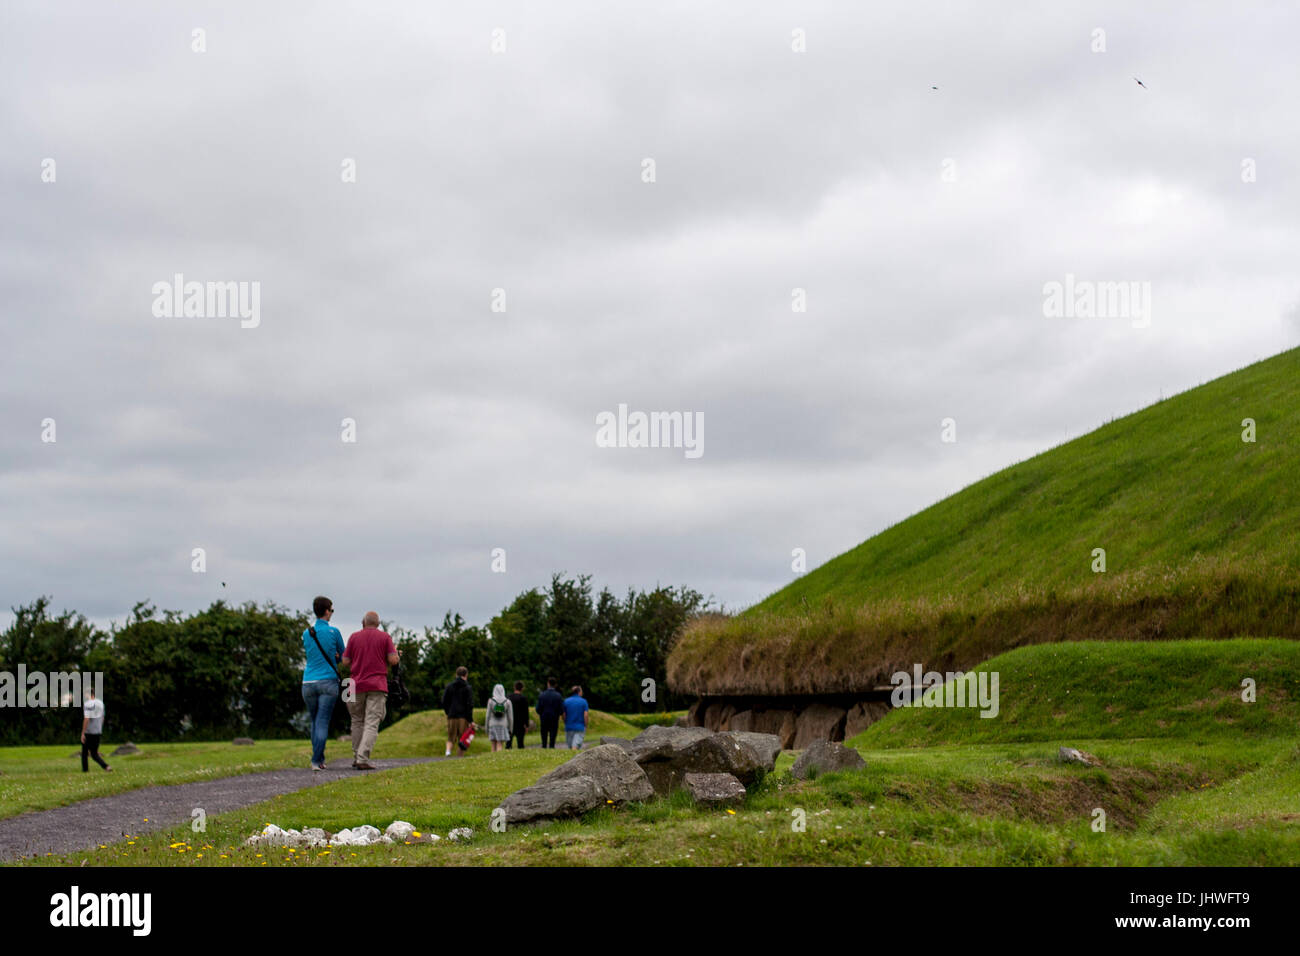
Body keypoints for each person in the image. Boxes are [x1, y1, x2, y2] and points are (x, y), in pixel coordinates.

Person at [341, 611, 398, 770]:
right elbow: (393, 660)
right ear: (378, 624)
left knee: (356, 720)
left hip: (352, 684)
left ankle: (356, 755)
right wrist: (397, 655)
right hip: (377, 684)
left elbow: (345, 661)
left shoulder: (353, 637)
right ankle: (362, 757)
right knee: (372, 721)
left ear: (363, 622)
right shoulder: (385, 637)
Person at [302, 595, 345, 770]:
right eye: (331, 610)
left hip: (308, 682)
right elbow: (343, 656)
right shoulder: (334, 632)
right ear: (327, 611)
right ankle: (316, 760)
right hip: (327, 681)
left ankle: (319, 758)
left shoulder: (307, 633)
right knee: (322, 721)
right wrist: (336, 657)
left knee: (314, 721)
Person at [441, 666, 475, 757]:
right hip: (463, 717)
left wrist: (448, 712)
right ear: (466, 675)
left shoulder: (449, 686)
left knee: (451, 737)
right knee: (462, 738)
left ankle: (448, 752)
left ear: (456, 674)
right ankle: (459, 757)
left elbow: (444, 701)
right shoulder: (467, 687)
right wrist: (470, 719)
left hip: (452, 715)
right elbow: (470, 705)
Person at [80, 688, 111, 773]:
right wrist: (100, 727)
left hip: (89, 731)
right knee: (94, 753)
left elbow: (86, 719)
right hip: (98, 731)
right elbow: (103, 717)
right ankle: (106, 767)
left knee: (84, 753)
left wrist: (83, 733)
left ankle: (85, 770)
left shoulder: (87, 704)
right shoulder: (100, 703)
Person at [536, 677, 563, 749]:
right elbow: (561, 710)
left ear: (548, 684)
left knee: (544, 733)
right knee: (553, 734)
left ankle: (544, 745)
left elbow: (538, 709)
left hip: (544, 717)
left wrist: (541, 713)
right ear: (555, 685)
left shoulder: (542, 695)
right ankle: (552, 746)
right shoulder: (558, 696)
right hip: (554, 718)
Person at [484, 683, 513, 752]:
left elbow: (487, 716)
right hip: (503, 725)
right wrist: (510, 729)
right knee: (500, 744)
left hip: (492, 724)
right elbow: (510, 717)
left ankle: (492, 760)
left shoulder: (491, 701)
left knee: (493, 744)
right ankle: (498, 759)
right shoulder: (508, 701)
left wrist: (486, 728)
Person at [562, 685, 589, 750]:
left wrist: (565, 722)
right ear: (579, 692)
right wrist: (586, 725)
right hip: (579, 727)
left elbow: (563, 714)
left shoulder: (566, 701)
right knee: (575, 747)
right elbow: (585, 715)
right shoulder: (583, 701)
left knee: (570, 746)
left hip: (569, 726)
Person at [506, 681, 529, 750]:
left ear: (514, 687)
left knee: (508, 742)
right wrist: (526, 725)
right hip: (520, 723)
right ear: (522, 688)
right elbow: (526, 712)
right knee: (520, 743)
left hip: (510, 722)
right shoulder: (523, 698)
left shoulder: (509, 697)